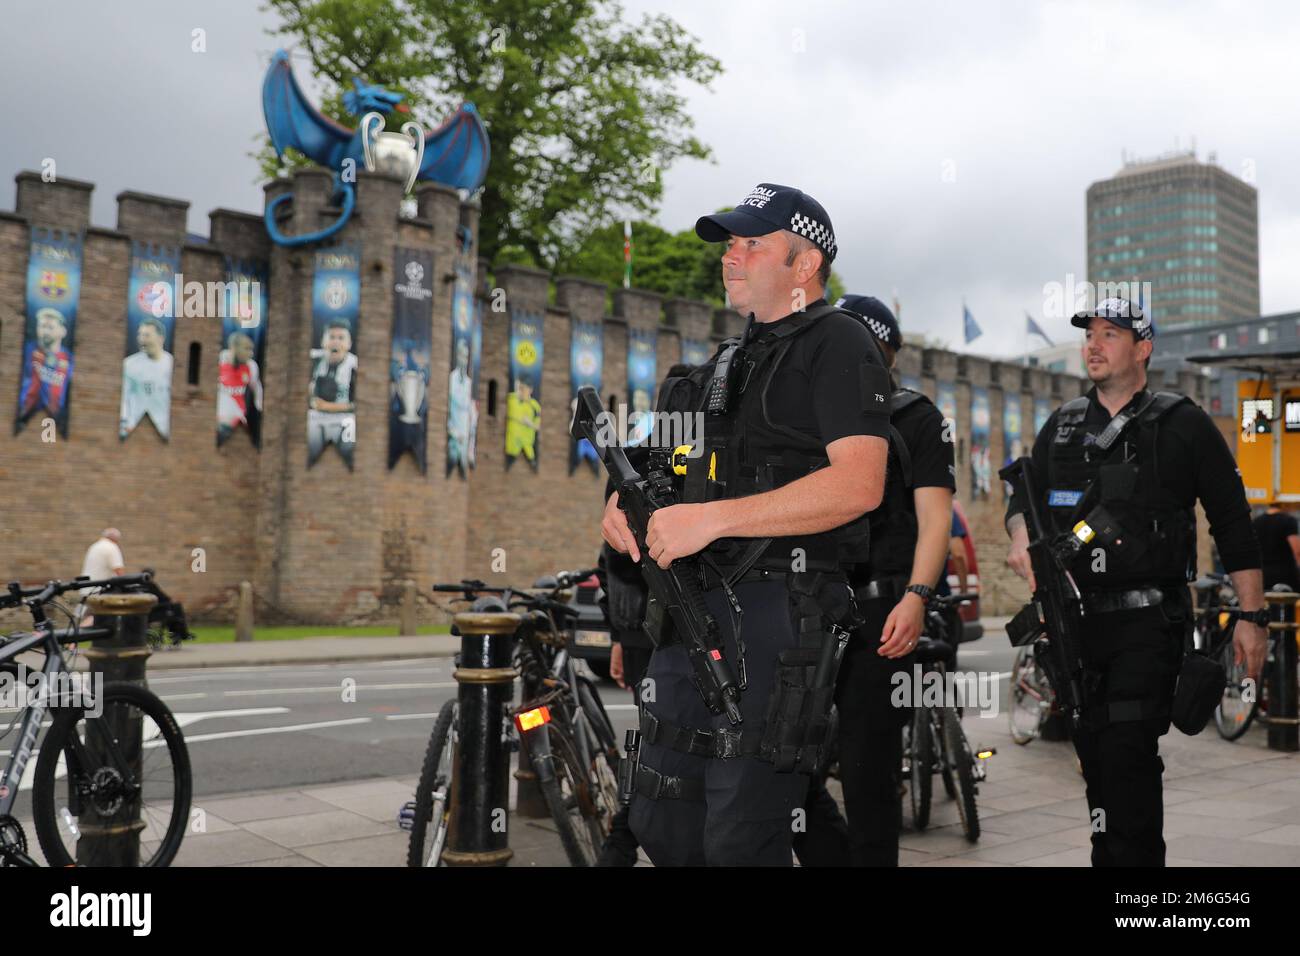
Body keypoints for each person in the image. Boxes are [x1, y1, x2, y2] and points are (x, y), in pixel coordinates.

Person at [601, 182, 890, 866]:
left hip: (777, 617)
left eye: (750, 243)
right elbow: (652, 467)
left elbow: (859, 482)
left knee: (741, 833)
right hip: (688, 614)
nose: (730, 256)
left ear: (804, 264)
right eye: (730, 244)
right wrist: (619, 507)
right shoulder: (715, 369)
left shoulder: (839, 343)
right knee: (661, 814)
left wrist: (712, 520)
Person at [1004, 297, 1267, 867]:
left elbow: (1232, 522)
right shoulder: (1065, 423)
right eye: (1090, 335)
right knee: (1097, 762)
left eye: (1111, 335)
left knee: (1126, 753)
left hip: (1148, 624)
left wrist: (1251, 617)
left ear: (1143, 348)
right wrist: (1021, 536)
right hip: (1076, 626)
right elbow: (1020, 498)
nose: (1094, 345)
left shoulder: (1183, 424)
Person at [794, 294, 955, 867]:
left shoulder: (917, 418)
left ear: (883, 352)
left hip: (881, 616)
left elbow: (936, 519)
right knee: (783, 767)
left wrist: (916, 596)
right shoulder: (802, 412)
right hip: (805, 609)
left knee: (868, 774)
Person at [307, 319, 358, 467]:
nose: (336, 342)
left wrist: (330, 407)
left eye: (341, 338)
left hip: (346, 417)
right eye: (331, 337)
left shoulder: (355, 366)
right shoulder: (313, 360)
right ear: (323, 342)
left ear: (349, 344)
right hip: (316, 416)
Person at [120, 316, 174, 439]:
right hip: (135, 430)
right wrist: (125, 422)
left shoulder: (172, 364)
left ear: (161, 339)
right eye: (140, 335)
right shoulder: (129, 364)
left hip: (164, 431)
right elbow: (123, 397)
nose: (141, 339)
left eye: (147, 335)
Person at [19, 307, 74, 425]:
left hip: (55, 418)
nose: (46, 332)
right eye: (42, 326)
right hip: (24, 413)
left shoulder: (69, 359)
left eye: (50, 327)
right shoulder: (28, 350)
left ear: (63, 331)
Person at [217, 330, 264, 444]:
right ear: (234, 348)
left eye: (252, 349)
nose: (251, 353)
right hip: (218, 418)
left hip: (237, 418)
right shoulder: (220, 361)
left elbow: (256, 388)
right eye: (247, 349)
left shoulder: (251, 366)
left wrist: (260, 407)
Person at [77, 528, 125, 626]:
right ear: (116, 539)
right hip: (100, 590)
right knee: (94, 616)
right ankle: (72, 640)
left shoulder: (94, 546)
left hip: (87, 587)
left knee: (89, 616)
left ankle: (71, 639)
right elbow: (119, 570)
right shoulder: (111, 547)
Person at [1252, 504, 1300, 593]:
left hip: (1263, 573)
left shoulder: (1256, 521)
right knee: (1289, 603)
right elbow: (1297, 550)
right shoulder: (1288, 521)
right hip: (1286, 575)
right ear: (1285, 505)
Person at [505, 378, 541, 471]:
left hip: (527, 444)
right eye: (521, 389)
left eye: (525, 389)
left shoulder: (535, 406)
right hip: (511, 443)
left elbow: (538, 427)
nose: (522, 392)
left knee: (533, 467)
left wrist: (530, 423)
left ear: (530, 390)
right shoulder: (512, 399)